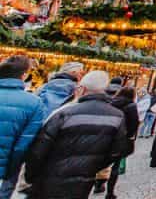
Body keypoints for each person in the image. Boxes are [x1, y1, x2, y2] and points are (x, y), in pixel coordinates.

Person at [24, 70, 128, 199]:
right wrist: (93, 166)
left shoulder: (65, 112)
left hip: (50, 176)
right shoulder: (117, 116)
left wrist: (31, 175)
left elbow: (40, 148)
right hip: (83, 180)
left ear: (82, 89)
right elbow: (117, 151)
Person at [0, 56, 44, 199]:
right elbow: (23, 146)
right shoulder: (34, 103)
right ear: (24, 75)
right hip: (6, 168)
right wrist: (12, 170)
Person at [99, 87, 138, 199]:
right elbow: (133, 124)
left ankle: (98, 183)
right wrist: (130, 136)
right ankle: (110, 192)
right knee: (115, 166)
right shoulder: (131, 106)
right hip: (121, 138)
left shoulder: (111, 102)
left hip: (108, 135)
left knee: (101, 161)